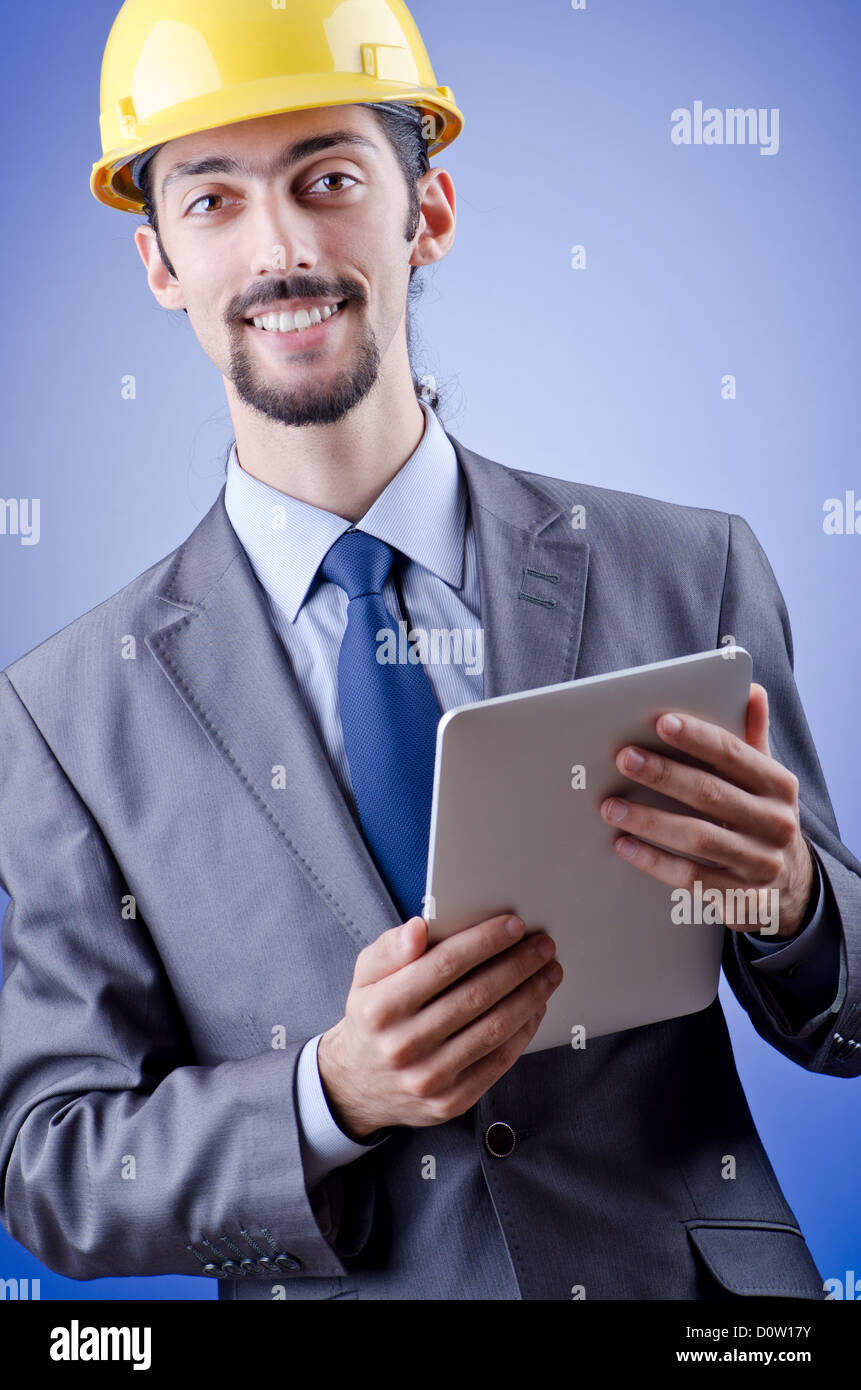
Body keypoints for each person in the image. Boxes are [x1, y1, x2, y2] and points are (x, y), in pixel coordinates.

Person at [0, 0, 858, 1302]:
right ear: (159, 261)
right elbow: (54, 1166)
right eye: (214, 201)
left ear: (427, 212)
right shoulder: (66, 712)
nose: (280, 246)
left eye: (328, 179)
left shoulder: (689, 574)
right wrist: (328, 1093)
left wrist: (791, 901)